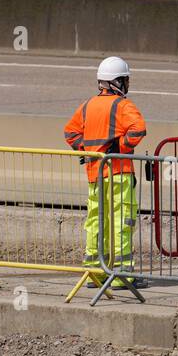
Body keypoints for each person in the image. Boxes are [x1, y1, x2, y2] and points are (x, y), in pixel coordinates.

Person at [63, 56, 147, 288]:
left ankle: (95, 272)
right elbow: (138, 130)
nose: (127, 85)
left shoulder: (87, 106)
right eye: (125, 80)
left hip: (95, 174)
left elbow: (70, 133)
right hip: (119, 173)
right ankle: (121, 276)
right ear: (116, 82)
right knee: (122, 221)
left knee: (96, 221)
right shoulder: (123, 106)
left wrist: (89, 150)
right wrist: (118, 148)